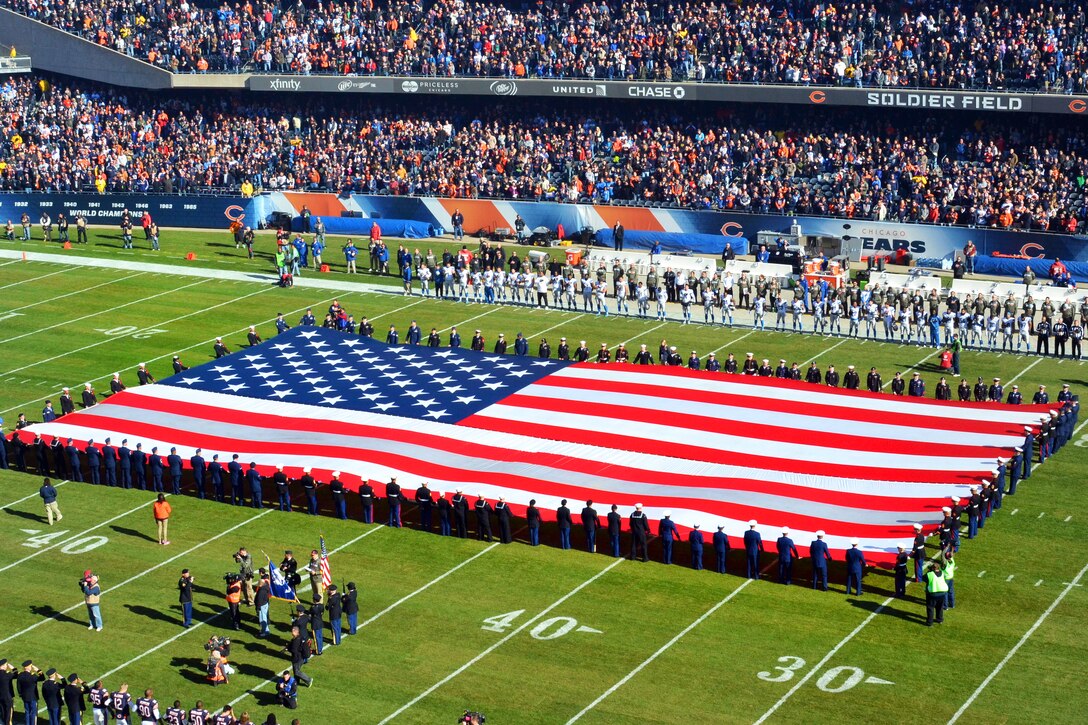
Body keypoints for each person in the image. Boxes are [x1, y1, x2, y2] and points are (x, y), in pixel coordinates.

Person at [17, 661, 43, 725]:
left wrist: (21, 694)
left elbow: (18, 686)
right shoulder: (32, 676)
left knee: (27, 712)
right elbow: (42, 678)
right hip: (33, 697)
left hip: (25, 697)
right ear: (28, 667)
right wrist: (38, 670)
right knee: (33, 713)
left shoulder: (20, 675)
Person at [924, 561, 948, 626]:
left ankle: (930, 622)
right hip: (942, 593)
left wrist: (929, 571)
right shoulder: (942, 573)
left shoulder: (930, 574)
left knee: (930, 608)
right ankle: (939, 619)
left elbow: (924, 578)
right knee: (940, 607)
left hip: (933, 593)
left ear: (933, 568)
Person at [254, 569, 271, 638]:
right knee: (264, 617)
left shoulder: (261, 591)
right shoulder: (266, 587)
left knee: (262, 619)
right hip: (265, 603)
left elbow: (259, 600)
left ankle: (265, 632)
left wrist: (257, 608)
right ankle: (265, 630)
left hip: (262, 605)